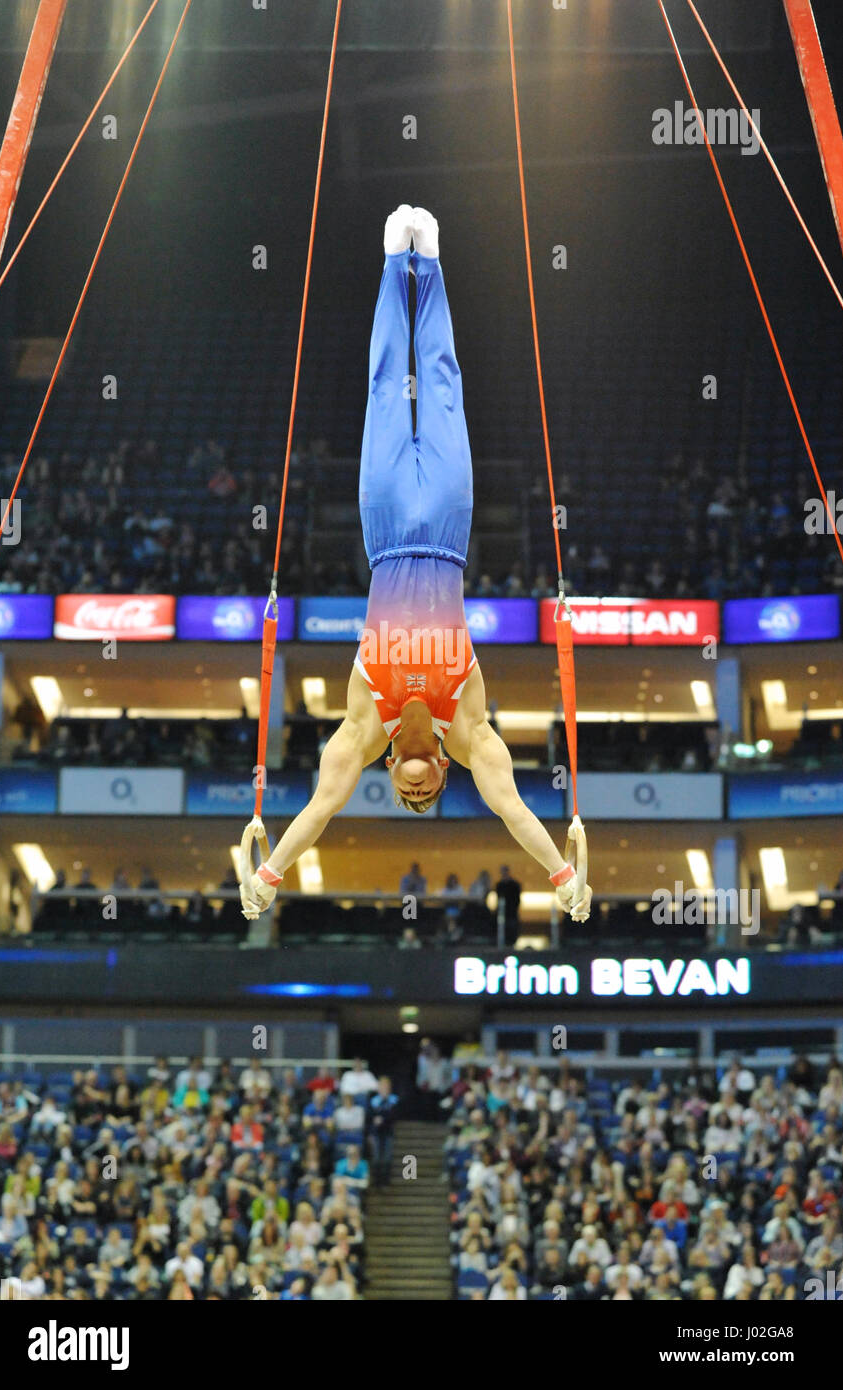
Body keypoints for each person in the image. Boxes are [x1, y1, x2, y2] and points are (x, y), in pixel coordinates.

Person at [242, 208, 591, 926]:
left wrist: (269, 870)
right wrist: (562, 872)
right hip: (451, 529)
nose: (415, 796)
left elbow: (319, 807)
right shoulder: (466, 730)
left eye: (407, 799)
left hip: (387, 529)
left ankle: (389, 265)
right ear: (437, 774)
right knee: (440, 386)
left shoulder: (364, 726)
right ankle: (425, 262)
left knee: (381, 390)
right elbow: (511, 807)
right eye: (424, 798)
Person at [368, 1077, 399, 1186]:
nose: (384, 1088)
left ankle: (386, 1182)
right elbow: (370, 1117)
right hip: (376, 1133)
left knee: (387, 1158)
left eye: (386, 1086)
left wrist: (382, 1119)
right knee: (376, 1158)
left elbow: (394, 1116)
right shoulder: (374, 1101)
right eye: (382, 1086)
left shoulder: (393, 1100)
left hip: (388, 1132)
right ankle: (376, 1182)